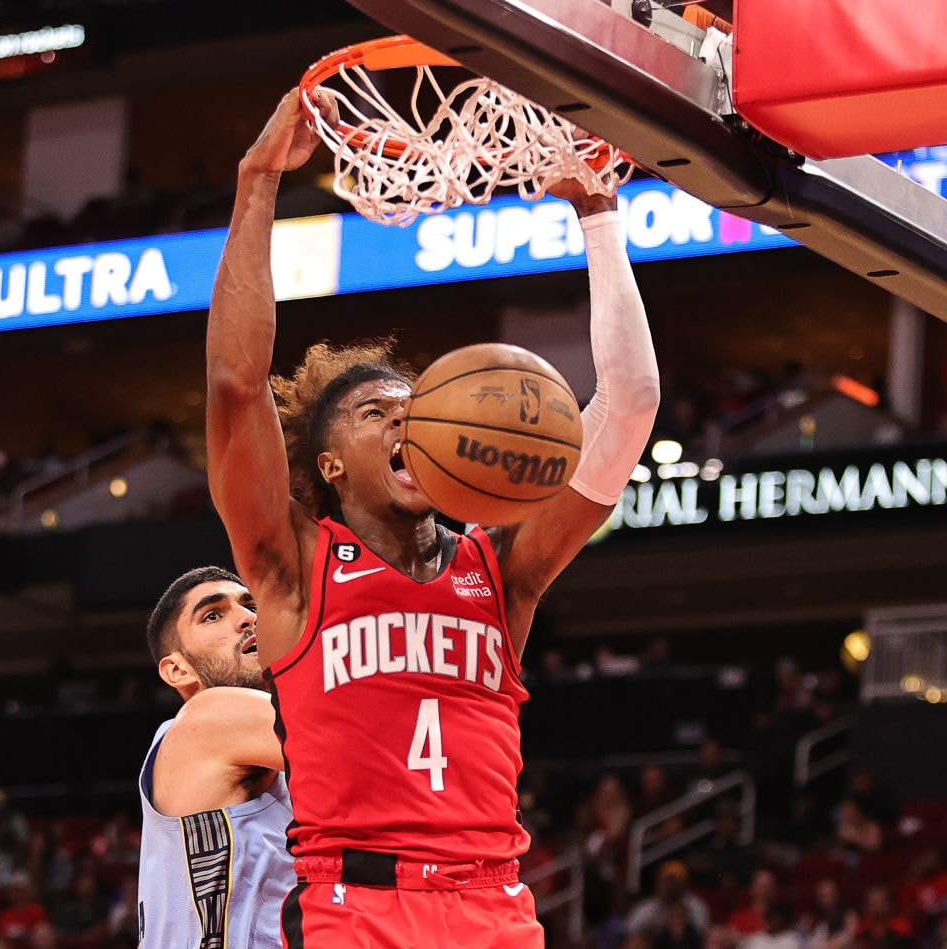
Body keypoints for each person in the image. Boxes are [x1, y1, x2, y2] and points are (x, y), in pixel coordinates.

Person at [205, 89, 660, 946]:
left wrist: (600, 216)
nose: (404, 419)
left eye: (415, 408)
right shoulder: (293, 568)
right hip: (355, 909)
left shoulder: (500, 570)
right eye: (376, 412)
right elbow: (235, 385)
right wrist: (258, 180)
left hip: (494, 908)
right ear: (329, 463)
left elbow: (630, 404)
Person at [138, 565, 295, 949]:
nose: (248, 619)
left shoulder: (274, 747)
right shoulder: (204, 718)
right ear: (178, 670)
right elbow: (366, 740)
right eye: (213, 615)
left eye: (250, 604)